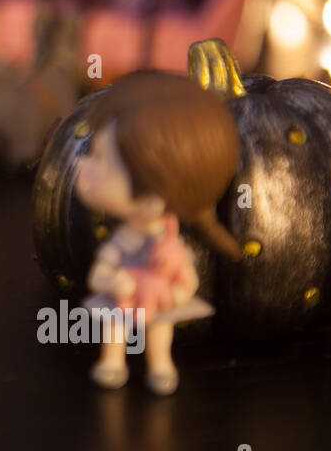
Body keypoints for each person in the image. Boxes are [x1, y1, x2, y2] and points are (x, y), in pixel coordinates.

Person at [74, 72, 240, 394]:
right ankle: (112, 360)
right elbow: (100, 274)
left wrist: (178, 292)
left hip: (157, 297)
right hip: (125, 297)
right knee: (115, 323)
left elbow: (187, 277)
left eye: (99, 159)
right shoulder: (127, 240)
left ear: (151, 199)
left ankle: (160, 363)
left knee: (160, 326)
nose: (82, 164)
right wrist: (111, 281)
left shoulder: (169, 244)